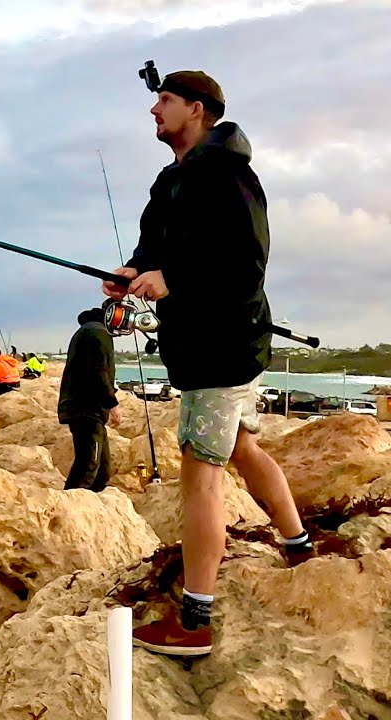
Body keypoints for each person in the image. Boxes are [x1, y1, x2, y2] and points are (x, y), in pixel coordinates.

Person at [103, 68, 314, 657]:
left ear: (197, 109)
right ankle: (298, 544)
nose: (154, 111)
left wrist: (172, 280)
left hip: (224, 348)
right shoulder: (170, 180)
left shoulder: (229, 175)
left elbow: (246, 266)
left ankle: (195, 620)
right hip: (206, 346)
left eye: (165, 100)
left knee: (201, 474)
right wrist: (133, 273)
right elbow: (156, 249)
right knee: (242, 447)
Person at [58, 308, 121, 492]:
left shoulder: (89, 330)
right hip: (86, 409)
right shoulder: (97, 333)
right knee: (88, 464)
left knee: (102, 469)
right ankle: (69, 503)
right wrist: (112, 403)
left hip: (87, 409)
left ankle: (91, 503)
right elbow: (97, 370)